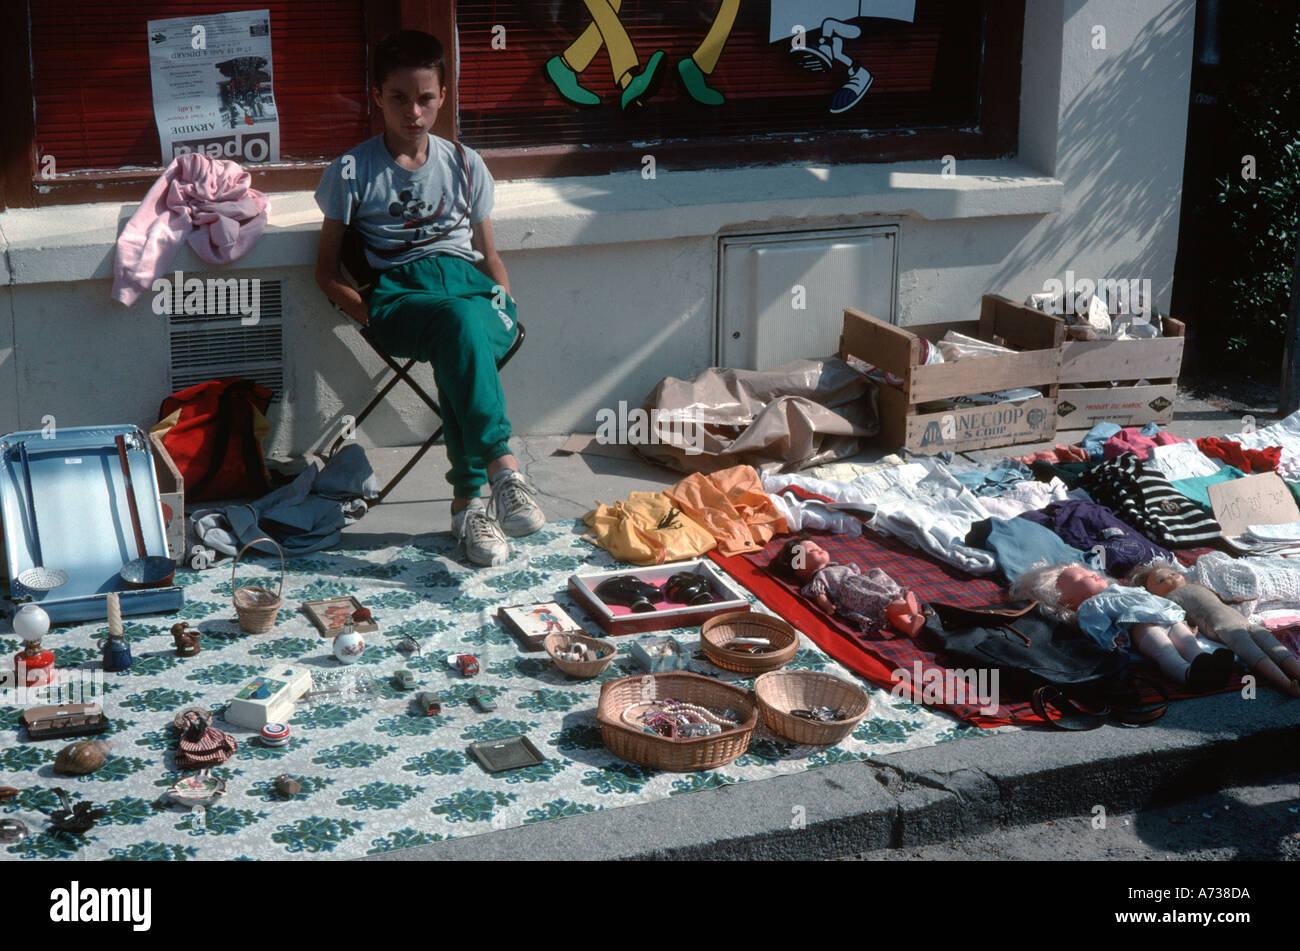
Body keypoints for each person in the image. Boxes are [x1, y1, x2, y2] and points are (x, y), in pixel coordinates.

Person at [314, 30, 544, 567]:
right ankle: (503, 470)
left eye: (425, 98)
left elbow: (489, 256)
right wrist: (368, 313)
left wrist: (502, 300)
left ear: (443, 95)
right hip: (402, 299)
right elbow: (325, 271)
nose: (413, 112)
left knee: (463, 331)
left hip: (472, 293)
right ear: (377, 96)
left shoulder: (465, 163)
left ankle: (468, 507)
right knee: (457, 327)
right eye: (399, 98)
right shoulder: (352, 171)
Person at [1011, 563, 1233, 692]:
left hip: (1164, 618)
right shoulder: (1090, 606)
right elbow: (1096, 628)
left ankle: (1205, 662)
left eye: (1088, 571)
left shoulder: (1121, 590)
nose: (1091, 573)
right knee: (1163, 648)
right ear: (1066, 599)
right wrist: (1111, 640)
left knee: (1185, 639)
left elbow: (1150, 599)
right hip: (1138, 628)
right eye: (1082, 577)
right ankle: (1186, 674)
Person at [1130, 559, 1300, 698]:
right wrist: (1189, 631)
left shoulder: (1196, 585)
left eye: (1172, 573)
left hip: (1240, 619)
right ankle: (1285, 684)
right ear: (1153, 593)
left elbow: (1220, 599)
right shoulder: (1170, 599)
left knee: (1272, 644)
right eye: (1160, 581)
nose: (1170, 578)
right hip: (1222, 627)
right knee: (1254, 653)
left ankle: (1296, 671)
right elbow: (1175, 618)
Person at [769, 537, 919, 636]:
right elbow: (819, 593)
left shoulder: (836, 566)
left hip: (862, 583)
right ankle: (903, 606)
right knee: (879, 600)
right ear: (799, 568)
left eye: (818, 546)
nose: (819, 549)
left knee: (878, 577)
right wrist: (827, 606)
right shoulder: (819, 577)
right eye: (812, 551)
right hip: (851, 592)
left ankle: (908, 625)